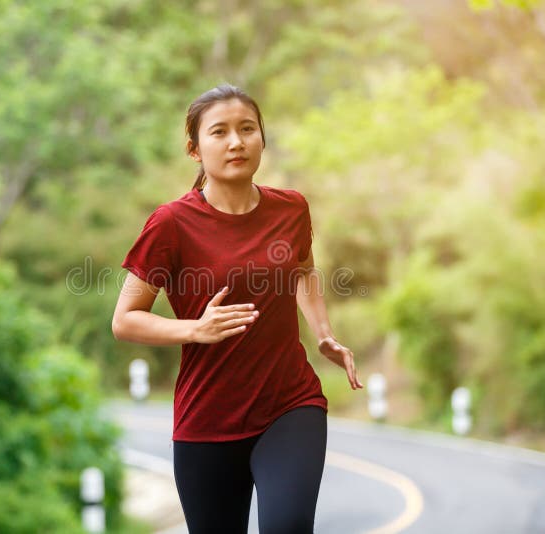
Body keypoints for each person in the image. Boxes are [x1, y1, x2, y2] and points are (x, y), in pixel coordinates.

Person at [112, 84, 363, 534]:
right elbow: (125, 319)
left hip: (290, 404)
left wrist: (322, 332)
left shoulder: (291, 209)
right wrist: (195, 329)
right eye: (220, 132)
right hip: (207, 420)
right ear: (194, 149)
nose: (236, 142)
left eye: (248, 129)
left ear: (262, 139)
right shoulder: (171, 223)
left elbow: (304, 271)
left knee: (287, 527)